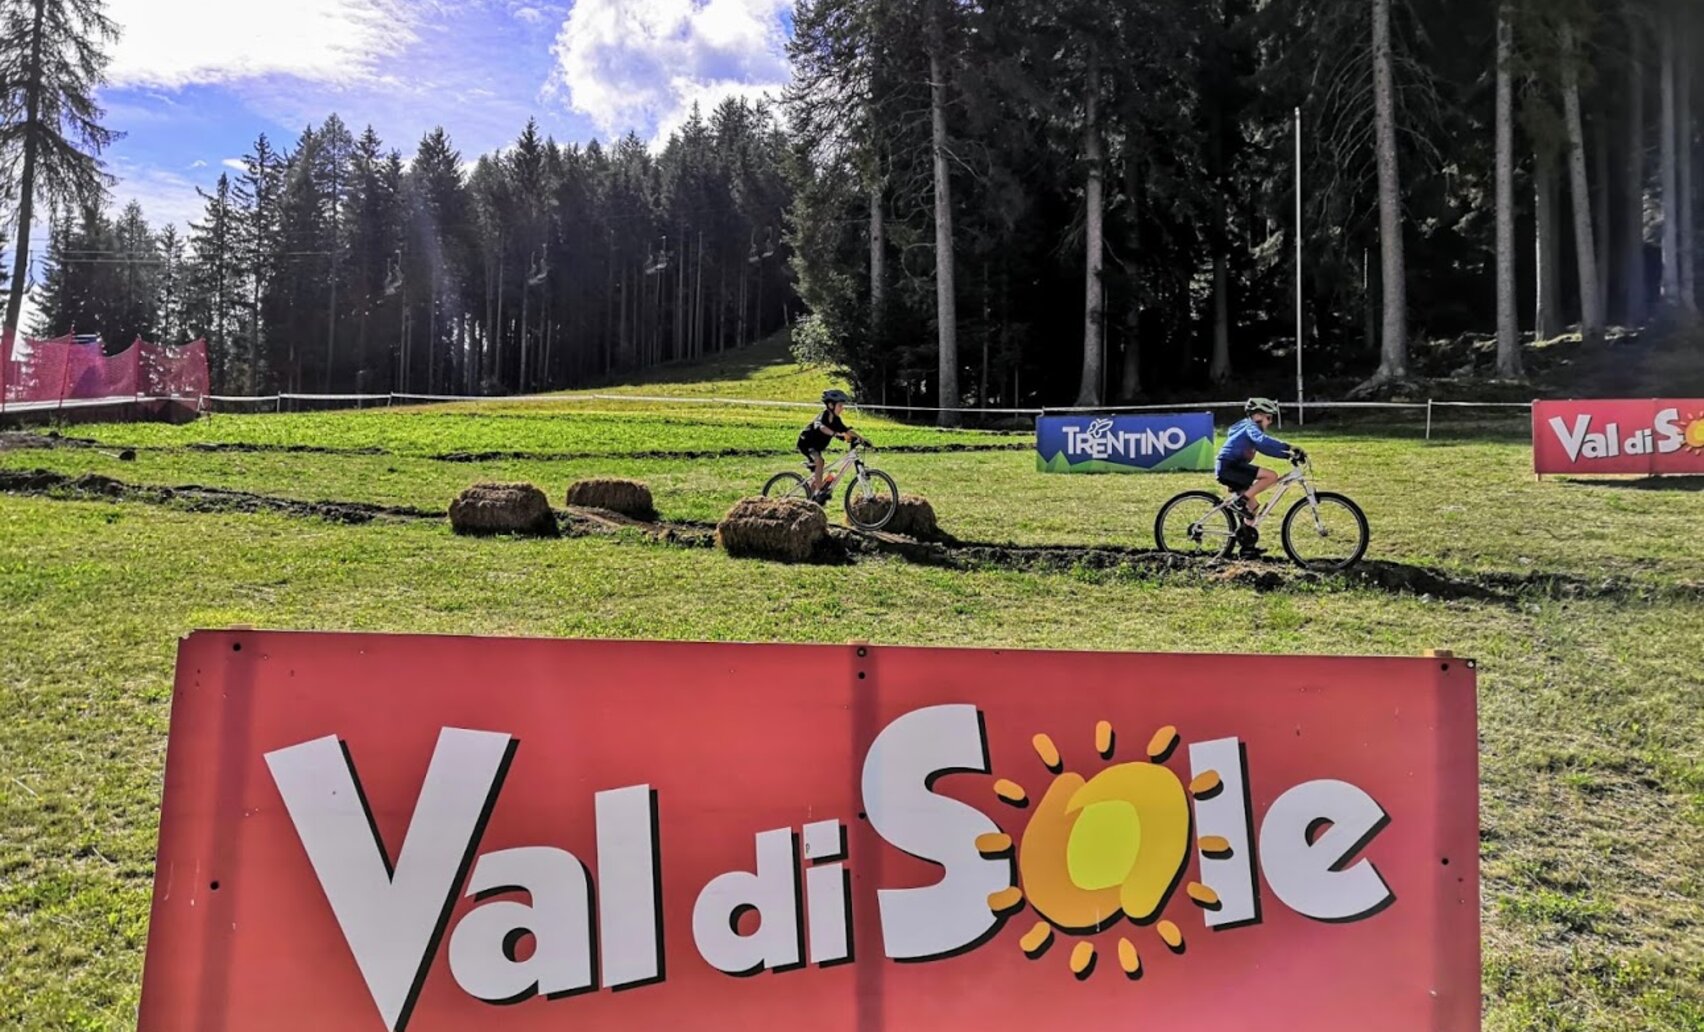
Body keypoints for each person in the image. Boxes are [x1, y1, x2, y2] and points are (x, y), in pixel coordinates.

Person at [1215, 397, 1306, 557]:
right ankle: (1239, 501)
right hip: (1230, 466)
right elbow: (1262, 441)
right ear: (1257, 415)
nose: (1270, 422)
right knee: (1271, 476)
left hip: (1231, 467)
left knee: (1253, 508)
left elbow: (1265, 448)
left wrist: (1287, 455)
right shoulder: (1250, 426)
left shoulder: (1249, 427)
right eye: (1268, 417)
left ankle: (1247, 548)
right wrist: (1288, 447)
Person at [798, 388, 864, 503]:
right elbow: (822, 428)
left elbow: (847, 431)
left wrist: (862, 439)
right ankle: (819, 491)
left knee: (820, 470)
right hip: (806, 443)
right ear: (830, 405)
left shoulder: (836, 420)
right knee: (819, 461)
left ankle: (812, 498)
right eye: (840, 405)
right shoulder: (823, 416)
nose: (842, 408)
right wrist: (835, 434)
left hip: (817, 447)